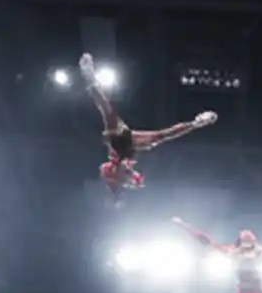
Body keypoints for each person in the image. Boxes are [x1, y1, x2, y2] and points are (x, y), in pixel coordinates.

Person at [79, 53, 218, 204]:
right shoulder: (127, 178)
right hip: (129, 146)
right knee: (161, 136)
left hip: (117, 142)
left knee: (107, 110)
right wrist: (131, 177)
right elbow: (131, 174)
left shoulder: (110, 177)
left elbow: (115, 173)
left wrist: (118, 190)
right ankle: (196, 123)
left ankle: (90, 77)